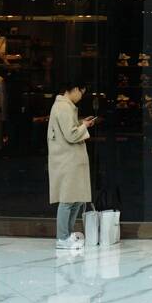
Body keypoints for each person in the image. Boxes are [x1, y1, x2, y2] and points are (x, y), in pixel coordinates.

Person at [48, 81, 95, 250]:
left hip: (69, 159)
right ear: (74, 89)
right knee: (68, 199)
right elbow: (71, 134)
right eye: (81, 92)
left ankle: (67, 234)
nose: (81, 96)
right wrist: (84, 125)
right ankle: (62, 237)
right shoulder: (63, 107)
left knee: (76, 198)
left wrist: (81, 122)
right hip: (67, 159)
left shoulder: (64, 106)